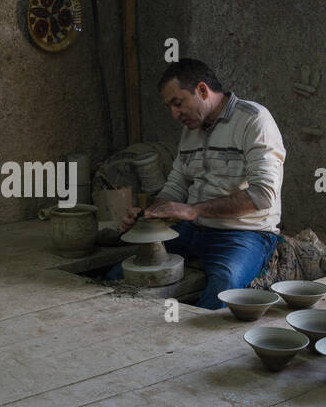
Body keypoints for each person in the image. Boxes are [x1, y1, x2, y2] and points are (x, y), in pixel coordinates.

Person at [117, 58, 286, 310]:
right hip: (195, 229)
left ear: (203, 90)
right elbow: (176, 183)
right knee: (118, 276)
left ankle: (184, 345)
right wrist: (150, 213)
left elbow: (262, 195)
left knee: (223, 289)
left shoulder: (254, 121)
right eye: (169, 107)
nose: (174, 114)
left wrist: (192, 210)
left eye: (178, 103)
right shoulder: (191, 129)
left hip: (244, 234)